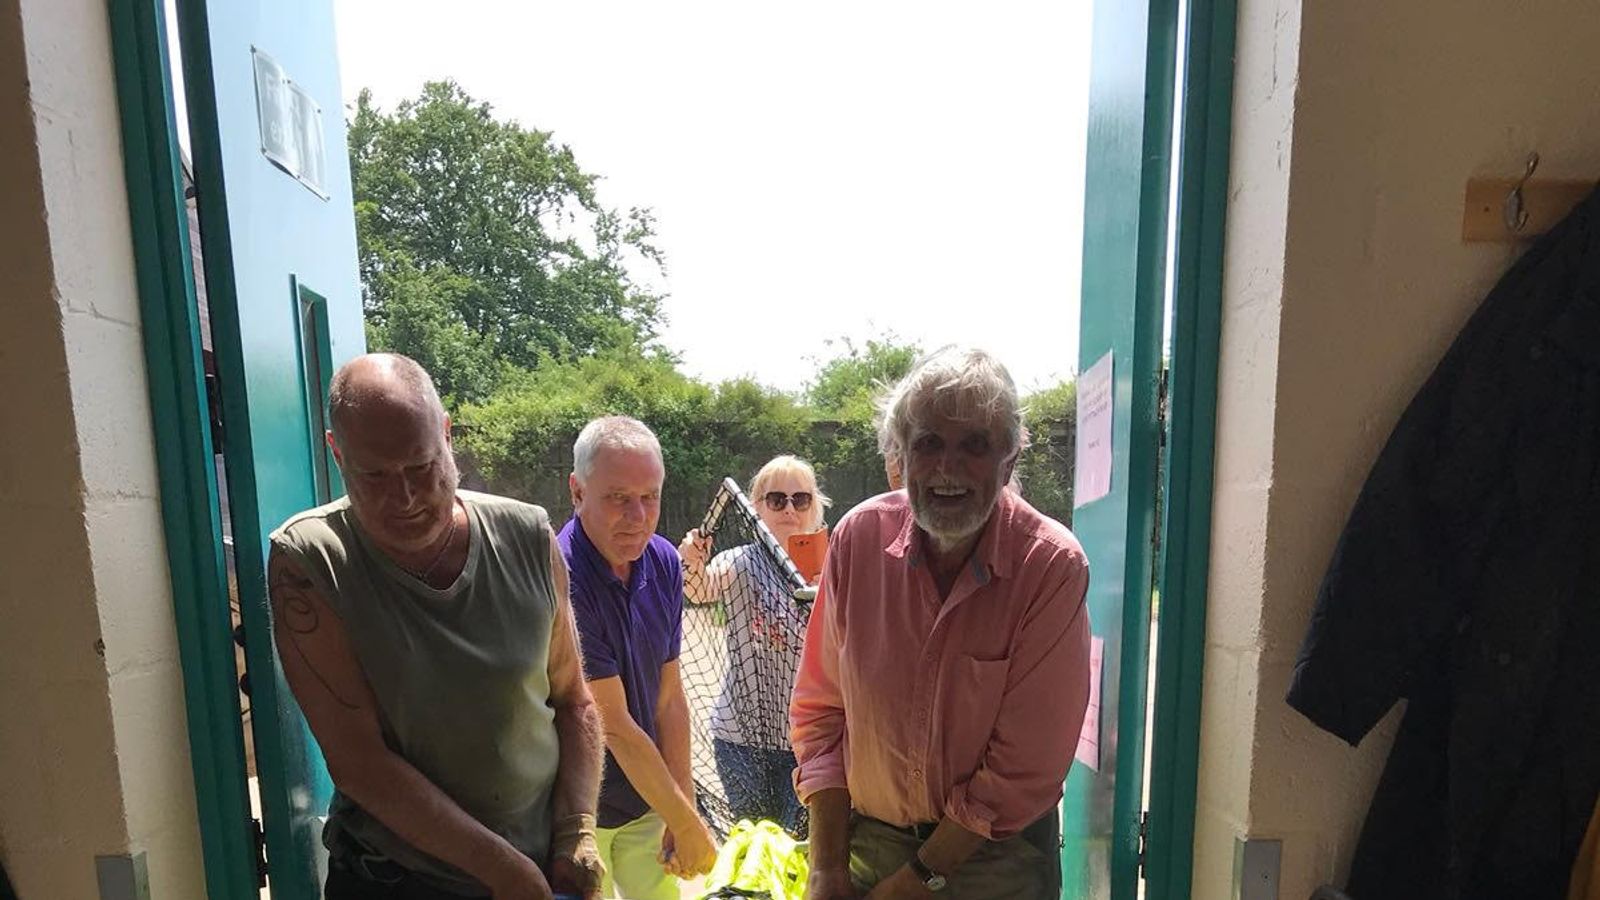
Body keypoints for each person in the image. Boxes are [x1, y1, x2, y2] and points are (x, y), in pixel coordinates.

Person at [267, 353, 604, 900]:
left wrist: (576, 832)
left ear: (447, 435)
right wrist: (504, 871)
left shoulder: (527, 536)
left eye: (421, 467)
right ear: (336, 451)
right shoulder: (309, 562)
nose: (402, 498)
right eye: (373, 476)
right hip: (398, 882)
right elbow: (359, 763)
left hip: (540, 872)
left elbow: (574, 702)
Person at [790, 346, 1092, 900]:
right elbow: (821, 712)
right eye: (928, 443)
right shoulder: (858, 539)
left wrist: (917, 880)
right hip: (868, 843)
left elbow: (1025, 765)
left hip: (996, 859)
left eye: (974, 444)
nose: (948, 468)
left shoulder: (1050, 566)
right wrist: (825, 869)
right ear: (899, 455)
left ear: (1009, 457)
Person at [559, 416, 719, 899]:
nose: (638, 517)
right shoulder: (562, 574)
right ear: (577, 491)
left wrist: (680, 805)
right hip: (576, 813)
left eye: (650, 496)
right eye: (618, 498)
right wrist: (688, 825)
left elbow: (670, 696)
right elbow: (614, 725)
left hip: (646, 802)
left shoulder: (665, 560)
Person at [678, 455, 832, 836]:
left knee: (798, 851)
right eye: (776, 499)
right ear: (756, 507)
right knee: (751, 845)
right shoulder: (740, 561)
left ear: (816, 505)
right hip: (740, 739)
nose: (790, 509)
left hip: (809, 742)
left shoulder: (834, 565)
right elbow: (697, 590)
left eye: (801, 499)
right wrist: (692, 561)